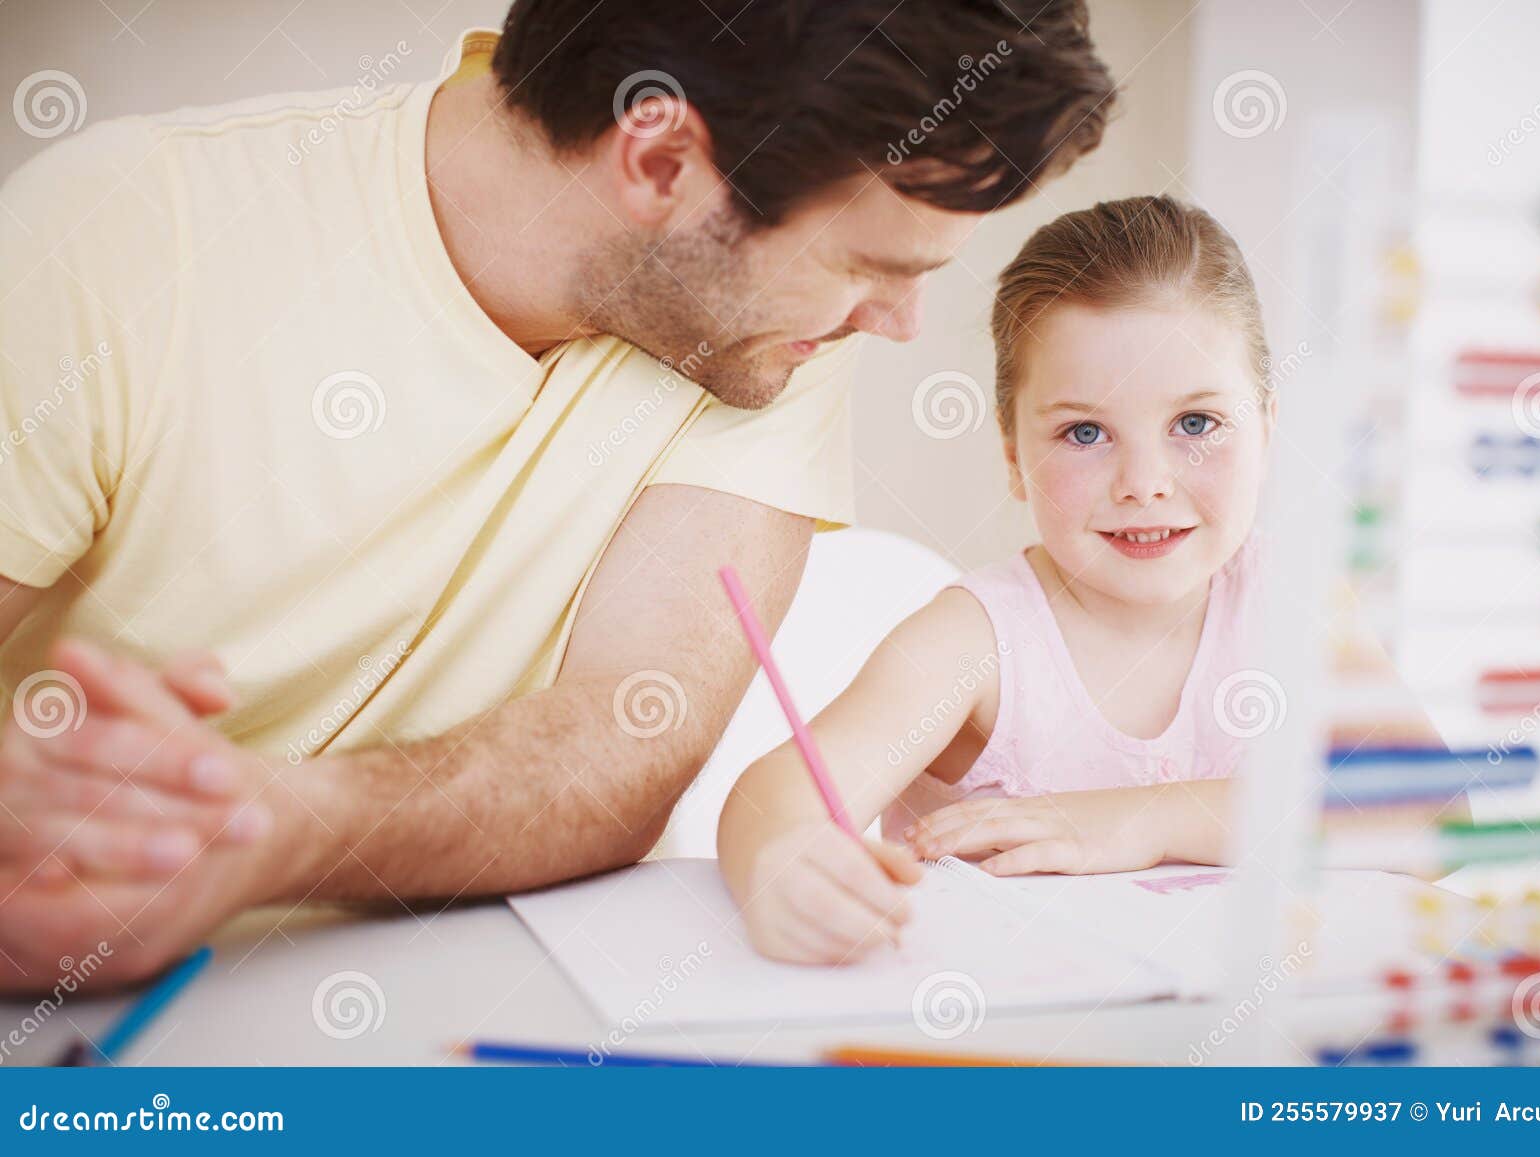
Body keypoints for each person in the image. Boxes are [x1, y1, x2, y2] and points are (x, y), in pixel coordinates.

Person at [0, 2, 1115, 991]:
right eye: (876, 264)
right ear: (662, 159)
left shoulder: (764, 334)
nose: (898, 322)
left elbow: (628, 742)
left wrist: (274, 828)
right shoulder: (128, 234)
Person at [719, 196, 1280, 964]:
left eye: (1196, 424)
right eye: (1085, 432)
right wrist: (784, 862)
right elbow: (775, 793)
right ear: (1014, 457)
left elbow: (1427, 809)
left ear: (1269, 429)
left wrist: (1142, 818)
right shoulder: (976, 644)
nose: (1145, 482)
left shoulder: (1287, 603)